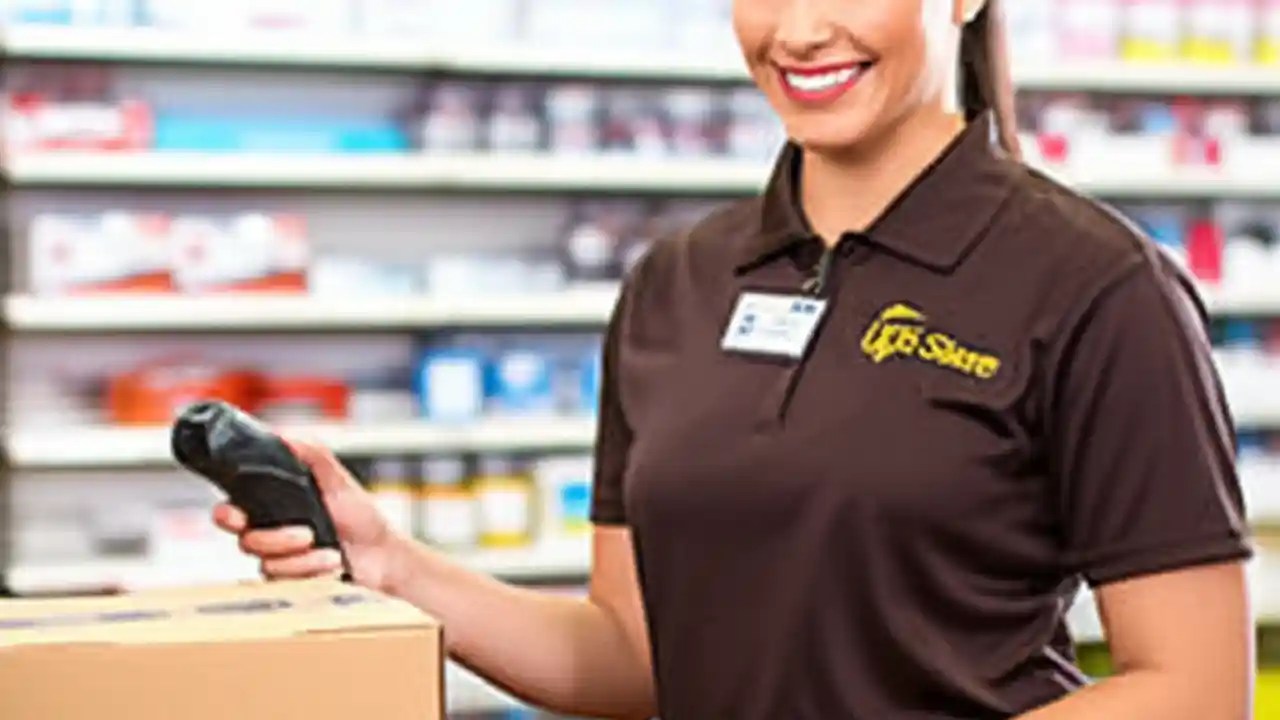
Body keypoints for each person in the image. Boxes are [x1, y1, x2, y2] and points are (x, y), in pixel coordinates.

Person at [214, 1, 1255, 717]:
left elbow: (1196, 689)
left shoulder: (1094, 286)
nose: (797, 30)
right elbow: (636, 655)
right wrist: (395, 568)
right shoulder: (678, 283)